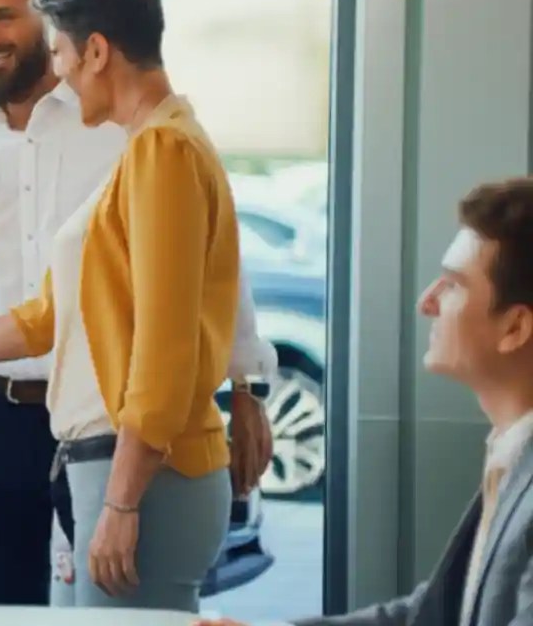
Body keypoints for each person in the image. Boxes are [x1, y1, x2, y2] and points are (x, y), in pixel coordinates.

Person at [0, 0, 267, 613]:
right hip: (93, 453)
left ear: (95, 50)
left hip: (140, 464)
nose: (63, 69)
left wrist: (122, 500)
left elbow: (164, 347)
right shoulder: (150, 146)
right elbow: (50, 311)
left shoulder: (161, 151)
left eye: (63, 50)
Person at [198, 176, 533, 626]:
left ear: (515, 328)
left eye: (453, 285)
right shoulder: (511, 455)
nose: (426, 302)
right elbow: (428, 615)